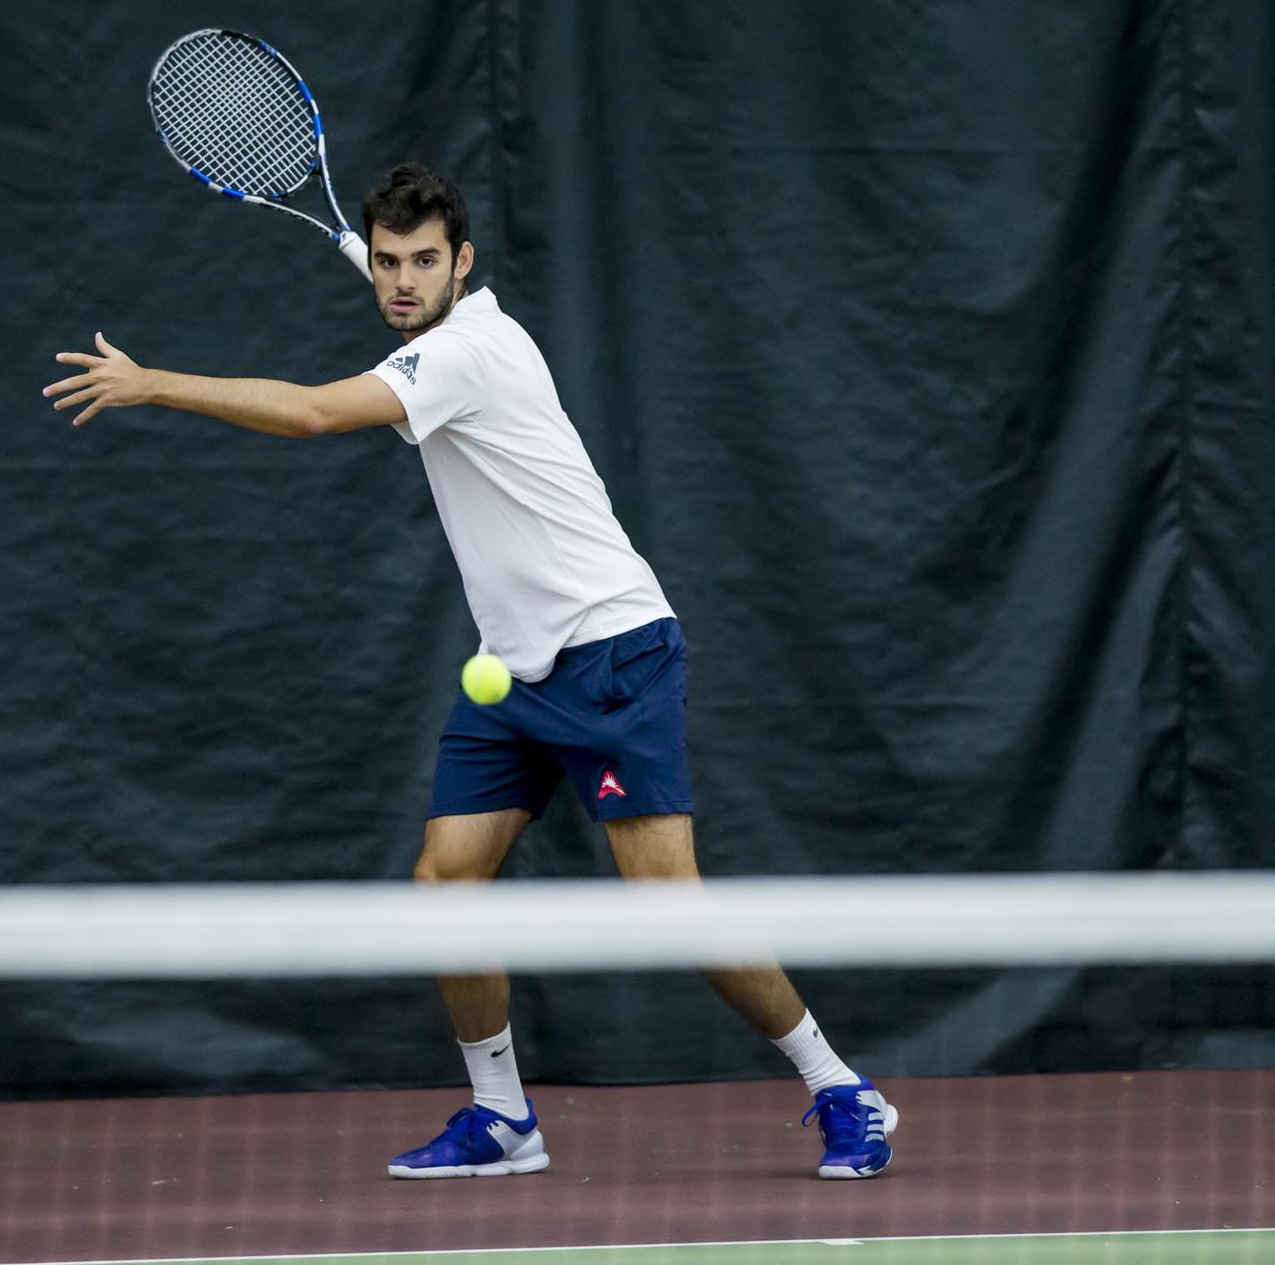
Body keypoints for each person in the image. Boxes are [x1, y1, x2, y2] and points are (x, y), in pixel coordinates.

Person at [44, 162, 897, 1180]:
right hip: (516, 670)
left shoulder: (466, 350)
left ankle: (841, 1086)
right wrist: (394, 275)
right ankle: (503, 1117)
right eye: (387, 262)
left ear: (464, 265)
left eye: (421, 262)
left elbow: (315, 414)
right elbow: (400, 295)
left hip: (612, 649)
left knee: (667, 901)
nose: (400, 280)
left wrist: (155, 383)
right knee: (445, 883)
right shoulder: (435, 320)